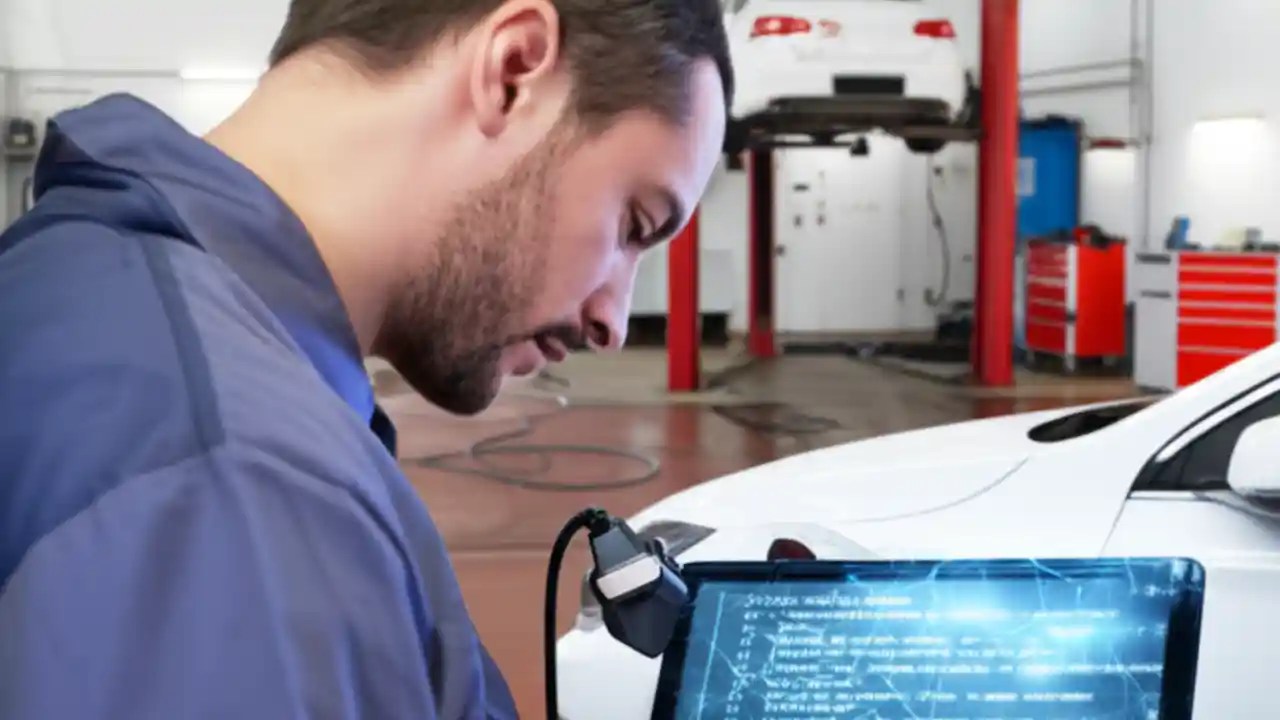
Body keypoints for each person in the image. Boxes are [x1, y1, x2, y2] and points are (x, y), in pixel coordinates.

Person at [0, 0, 733, 716]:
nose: (612, 319)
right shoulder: (239, 486)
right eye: (634, 222)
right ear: (513, 70)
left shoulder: (86, 274)